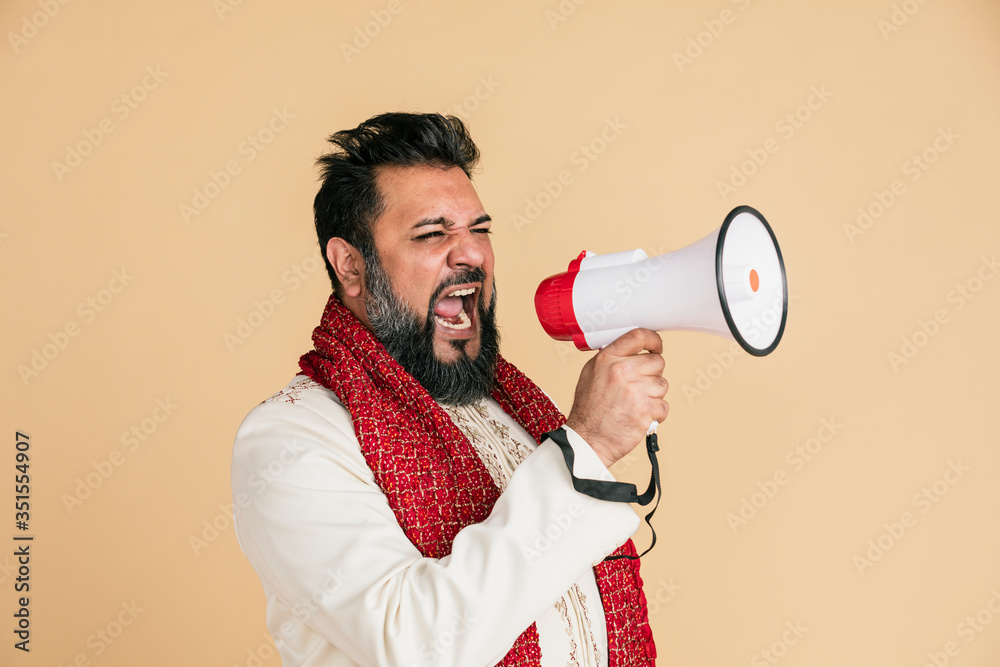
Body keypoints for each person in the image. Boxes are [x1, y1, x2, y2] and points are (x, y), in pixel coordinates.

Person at [231, 112, 669, 667]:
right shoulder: (289, 438)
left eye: (479, 230)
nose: (472, 255)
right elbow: (420, 647)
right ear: (350, 265)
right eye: (433, 234)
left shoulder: (503, 405)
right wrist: (589, 448)